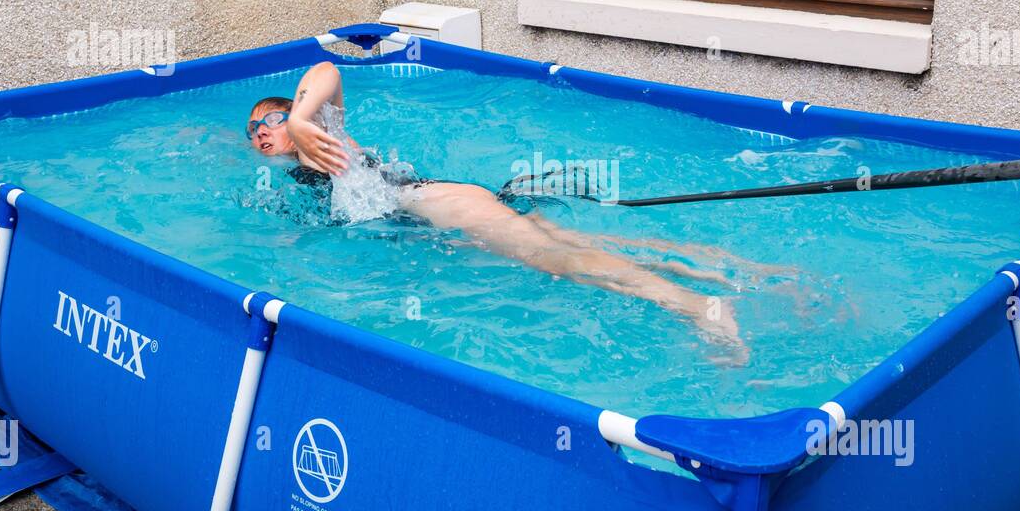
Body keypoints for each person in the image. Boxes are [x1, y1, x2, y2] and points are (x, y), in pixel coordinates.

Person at [246, 61, 745, 351]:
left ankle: (699, 306)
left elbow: (327, 69)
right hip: (442, 206)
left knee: (561, 261)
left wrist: (305, 117)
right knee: (574, 247)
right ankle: (702, 268)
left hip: (437, 205)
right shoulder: (295, 175)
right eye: (255, 129)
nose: (263, 130)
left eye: (272, 117)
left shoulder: (326, 136)